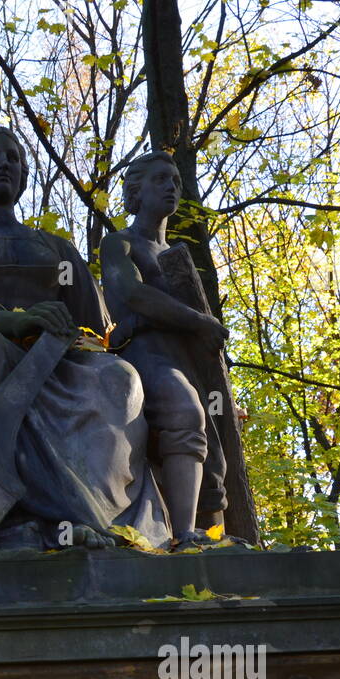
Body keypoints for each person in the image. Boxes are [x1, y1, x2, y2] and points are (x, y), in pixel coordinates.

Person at [0, 126, 170, 550]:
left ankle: (96, 517)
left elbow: (97, 328)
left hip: (58, 361)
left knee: (119, 376)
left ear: (22, 177)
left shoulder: (56, 249)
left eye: (14, 158)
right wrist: (9, 322)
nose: (4, 163)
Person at [99, 151, 228, 543]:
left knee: (218, 461)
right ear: (137, 190)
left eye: (175, 179)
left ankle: (214, 535)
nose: (171, 186)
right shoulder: (119, 244)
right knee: (184, 410)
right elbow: (132, 293)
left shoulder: (178, 258)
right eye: (160, 179)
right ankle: (183, 536)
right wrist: (198, 321)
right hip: (146, 354)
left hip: (189, 360)